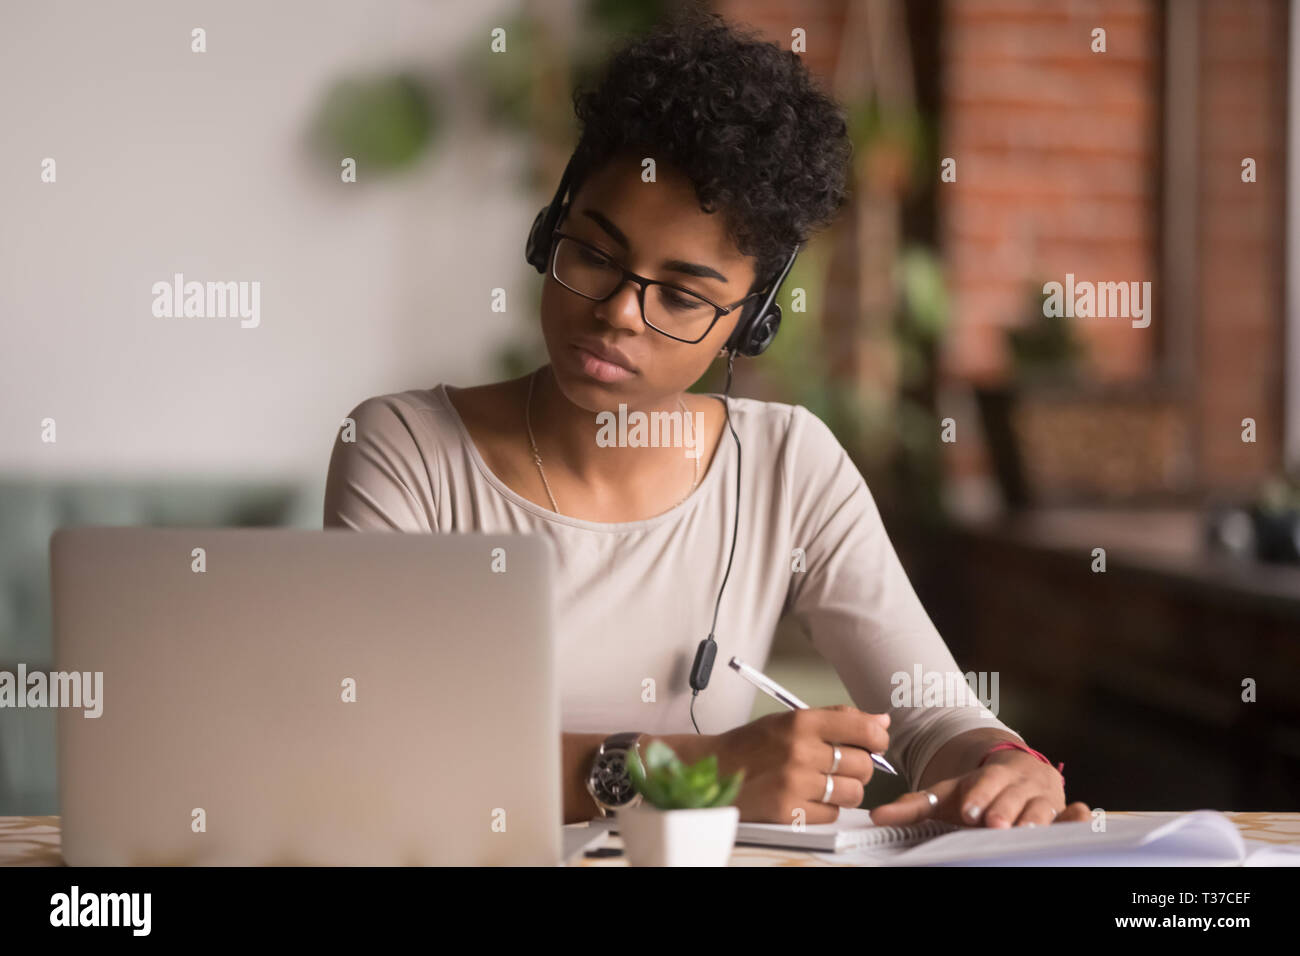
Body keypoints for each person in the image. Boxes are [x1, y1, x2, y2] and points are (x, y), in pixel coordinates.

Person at [324, 10, 1089, 829]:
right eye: (593, 254)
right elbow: (380, 751)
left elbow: (933, 715)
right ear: (550, 229)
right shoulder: (404, 452)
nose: (618, 312)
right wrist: (694, 768)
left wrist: (1006, 768)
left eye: (682, 296)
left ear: (748, 324)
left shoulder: (788, 466)